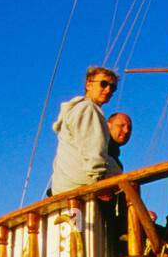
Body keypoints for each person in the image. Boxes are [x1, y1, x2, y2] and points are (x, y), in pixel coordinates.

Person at [50, 67, 122, 195]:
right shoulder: (87, 109)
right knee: (130, 188)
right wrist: (99, 182)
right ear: (89, 84)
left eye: (113, 87)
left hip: (64, 187)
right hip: (83, 187)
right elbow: (93, 150)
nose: (108, 90)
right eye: (104, 84)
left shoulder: (78, 110)